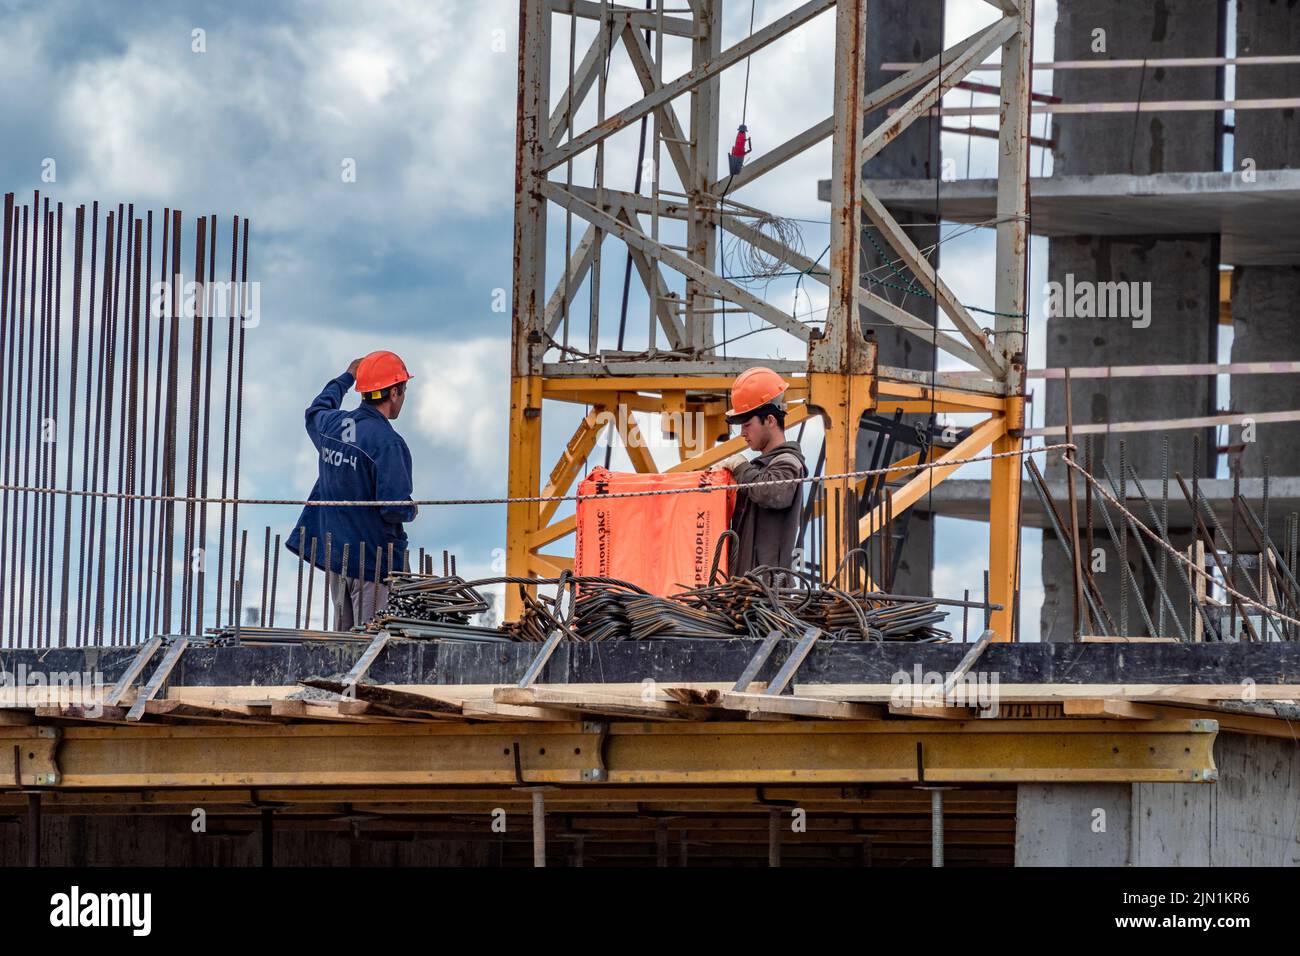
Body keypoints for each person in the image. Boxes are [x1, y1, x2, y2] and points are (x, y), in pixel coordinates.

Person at [287, 351, 417, 629]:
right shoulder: (387, 442)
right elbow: (393, 508)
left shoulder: (333, 426)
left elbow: (316, 410)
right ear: (394, 392)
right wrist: (411, 509)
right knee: (374, 643)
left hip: (339, 561)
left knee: (345, 644)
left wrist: (346, 377)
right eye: (403, 391)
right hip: (373, 564)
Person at [711, 366, 807, 578]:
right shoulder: (759, 470)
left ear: (770, 420)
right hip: (748, 589)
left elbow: (772, 493)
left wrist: (740, 466)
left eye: (747, 425)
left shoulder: (788, 462)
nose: (743, 433)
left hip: (769, 592)